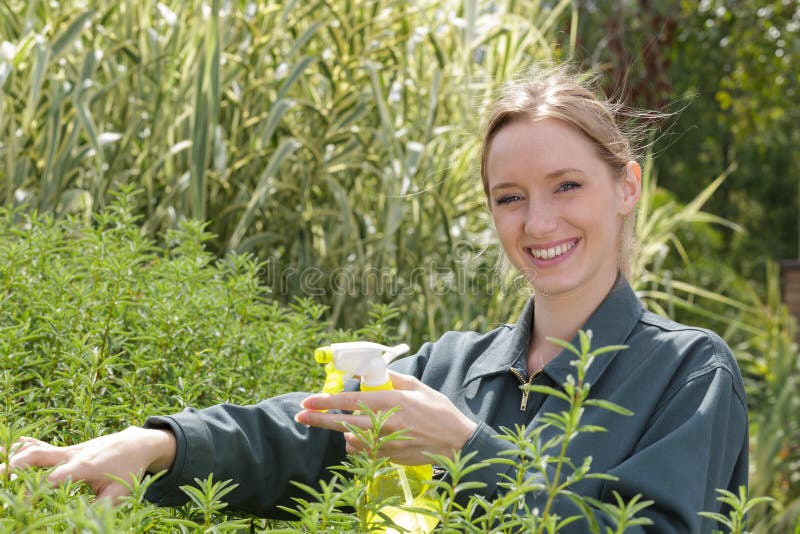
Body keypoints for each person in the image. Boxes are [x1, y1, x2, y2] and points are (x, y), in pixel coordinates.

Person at [3, 66, 748, 532]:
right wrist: (160, 445)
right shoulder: (455, 367)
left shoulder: (688, 373)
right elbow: (299, 435)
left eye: (567, 186)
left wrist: (465, 455)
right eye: (509, 197)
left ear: (626, 188)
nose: (538, 222)